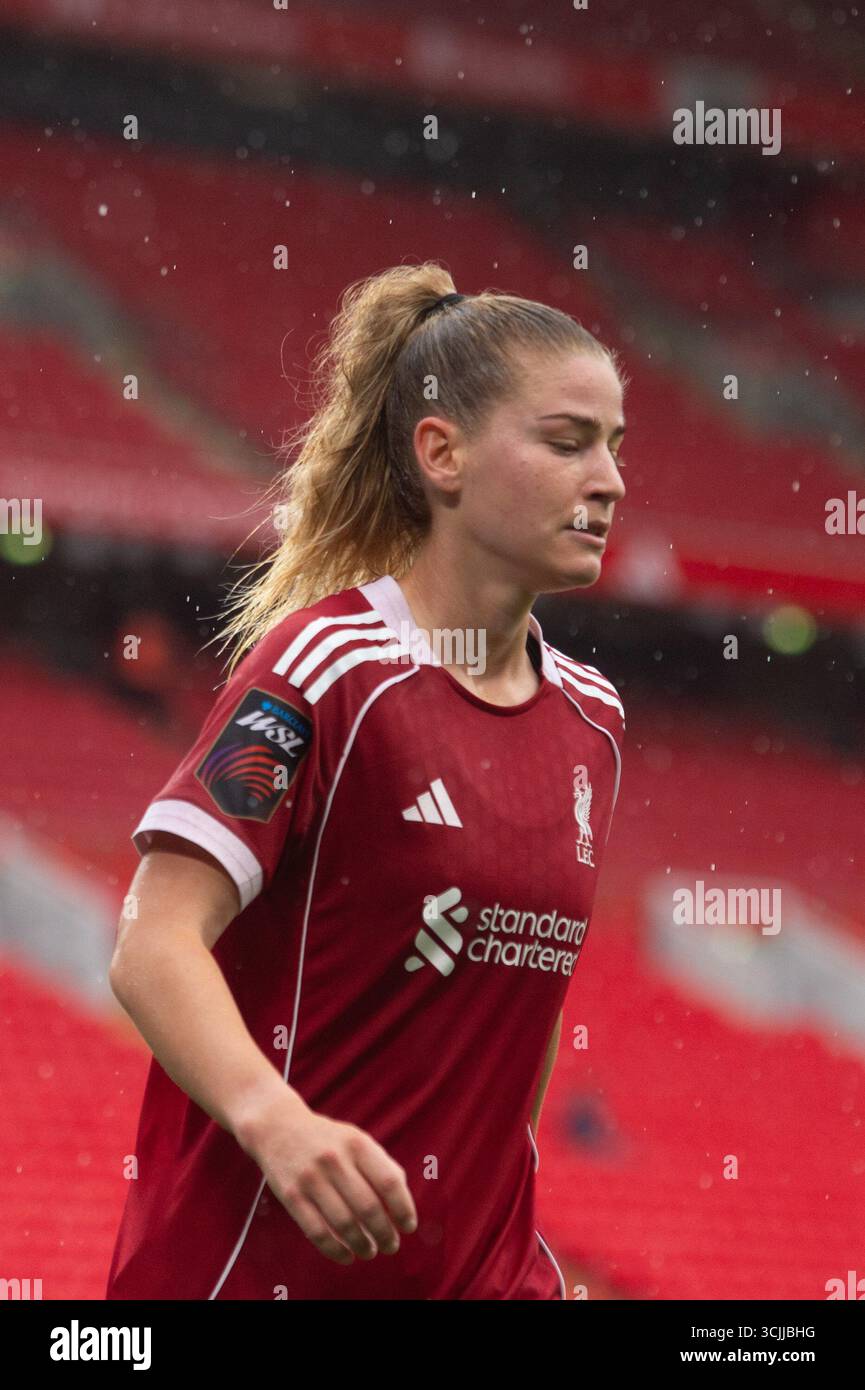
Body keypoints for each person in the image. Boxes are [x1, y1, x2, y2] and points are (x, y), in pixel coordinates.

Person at [105, 263, 628, 1300]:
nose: (607, 478)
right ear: (442, 453)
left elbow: (521, 1027)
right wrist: (277, 1122)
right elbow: (152, 942)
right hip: (252, 1272)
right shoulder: (325, 671)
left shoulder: (593, 719)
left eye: (616, 446)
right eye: (568, 443)